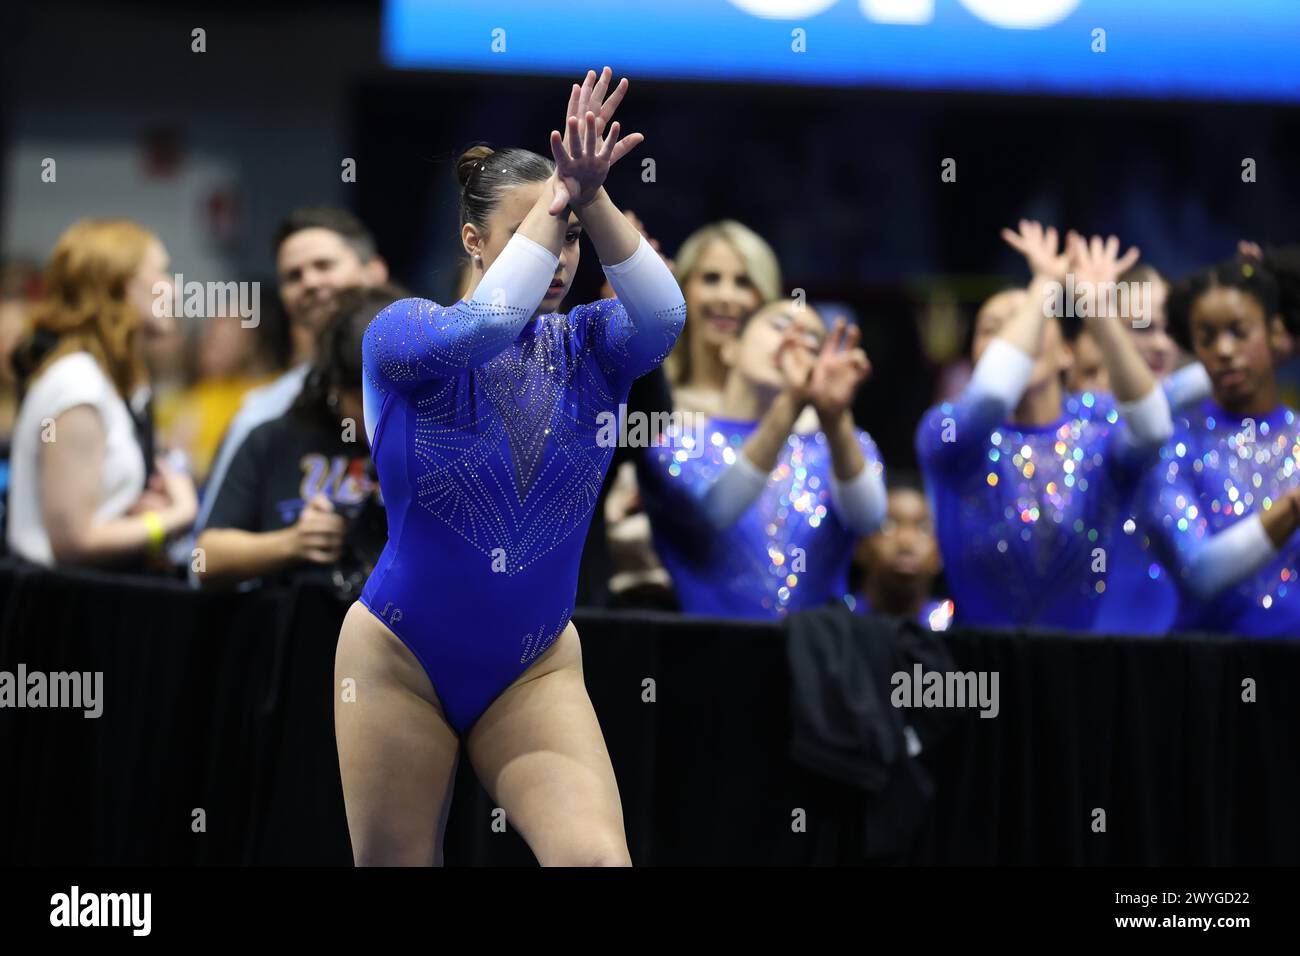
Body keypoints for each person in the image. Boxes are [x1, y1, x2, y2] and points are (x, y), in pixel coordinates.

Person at [334, 68, 685, 866]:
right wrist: (561, 196)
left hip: (532, 667)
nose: (560, 253)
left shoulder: (594, 346)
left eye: (568, 236)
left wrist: (592, 199)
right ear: (472, 239)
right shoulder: (403, 333)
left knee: (597, 860)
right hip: (398, 657)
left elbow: (665, 316)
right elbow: (486, 325)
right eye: (539, 227)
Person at [916, 222, 1173, 630]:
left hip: (1076, 669)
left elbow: (1155, 428)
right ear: (978, 355)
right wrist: (1044, 287)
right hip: (978, 665)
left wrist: (1096, 310)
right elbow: (992, 396)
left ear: (1066, 352)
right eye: (992, 330)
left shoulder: (1099, 430)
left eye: (1031, 321)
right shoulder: (947, 431)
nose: (1018, 335)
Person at [638, 299, 886, 619]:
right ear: (731, 349)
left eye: (812, 341)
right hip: (708, 652)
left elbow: (868, 519)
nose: (793, 342)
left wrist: (835, 418)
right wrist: (790, 403)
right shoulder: (677, 441)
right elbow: (715, 510)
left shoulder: (842, 444)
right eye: (780, 327)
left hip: (820, 657)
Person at [6, 219, 197, 568]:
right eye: (160, 273)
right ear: (120, 288)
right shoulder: (78, 382)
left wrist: (134, 515)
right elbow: (75, 542)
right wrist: (176, 516)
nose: (173, 287)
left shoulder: (110, 382)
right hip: (58, 606)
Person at [193, 206, 389, 537]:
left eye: (324, 265)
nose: (310, 282)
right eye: (293, 276)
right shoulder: (262, 412)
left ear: (375, 271)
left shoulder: (441, 383)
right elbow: (203, 559)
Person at [194, 286, 402, 591]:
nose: (380, 416)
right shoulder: (276, 439)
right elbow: (205, 557)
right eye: (364, 402)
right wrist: (292, 543)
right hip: (298, 622)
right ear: (334, 389)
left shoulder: (433, 443)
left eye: (392, 399)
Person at [1138, 256, 1300, 637]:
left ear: (1275, 333)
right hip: (1208, 670)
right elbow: (1200, 573)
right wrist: (1292, 507)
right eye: (1207, 338)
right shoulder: (1173, 444)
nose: (1224, 350)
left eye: (1239, 331)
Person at [846, 477, 953, 631]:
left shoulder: (955, 632)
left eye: (924, 528)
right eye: (887, 525)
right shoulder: (835, 632)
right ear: (859, 545)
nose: (906, 542)